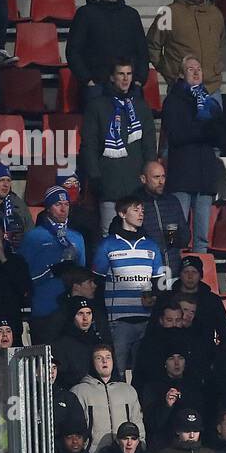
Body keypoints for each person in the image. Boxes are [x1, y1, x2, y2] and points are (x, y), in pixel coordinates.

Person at [82, 62, 158, 233]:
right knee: (109, 235)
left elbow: (149, 145)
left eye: (129, 74)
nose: (125, 78)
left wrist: (149, 175)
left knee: (140, 235)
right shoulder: (97, 106)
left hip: (136, 187)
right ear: (112, 77)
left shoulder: (141, 106)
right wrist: (95, 177)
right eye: (121, 74)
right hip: (109, 184)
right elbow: (89, 145)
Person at [92, 196, 164, 374]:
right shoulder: (107, 245)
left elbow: (161, 283)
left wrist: (154, 297)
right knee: (117, 372)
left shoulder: (152, 246)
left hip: (146, 321)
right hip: (118, 322)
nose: (141, 214)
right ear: (122, 213)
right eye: (135, 209)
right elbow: (96, 282)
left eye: (142, 210)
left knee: (145, 372)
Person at [161, 56, 224, 252]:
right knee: (176, 232)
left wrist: (200, 131)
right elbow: (177, 135)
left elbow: (220, 134)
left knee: (202, 237)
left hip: (204, 178)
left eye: (199, 68)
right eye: (190, 69)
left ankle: (199, 275)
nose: (196, 73)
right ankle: (174, 272)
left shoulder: (210, 101)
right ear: (181, 74)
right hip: (182, 176)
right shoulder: (173, 101)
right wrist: (203, 131)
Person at [66, 0, 149, 107]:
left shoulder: (131, 15)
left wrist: (139, 80)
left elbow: (143, 52)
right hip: (97, 86)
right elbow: (73, 51)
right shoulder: (85, 14)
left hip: (128, 86)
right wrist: (88, 80)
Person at [21, 186, 87, 343]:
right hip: (44, 310)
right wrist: (51, 272)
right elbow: (23, 278)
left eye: (66, 204)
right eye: (58, 204)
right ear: (48, 208)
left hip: (71, 312)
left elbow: (82, 276)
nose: (63, 209)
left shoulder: (77, 238)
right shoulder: (33, 237)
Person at [147, 0, 224, 98]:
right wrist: (168, 70)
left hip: (211, 88)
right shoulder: (168, 13)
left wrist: (217, 67)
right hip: (180, 88)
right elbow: (152, 45)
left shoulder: (215, 14)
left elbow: (221, 43)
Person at [72, 345, 146, 453]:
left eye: (108, 357)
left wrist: (141, 446)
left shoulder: (128, 390)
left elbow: (137, 422)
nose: (104, 361)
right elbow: (75, 428)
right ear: (92, 362)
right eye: (99, 358)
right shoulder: (79, 391)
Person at [134, 160, 190, 274]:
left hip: (173, 269)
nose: (161, 181)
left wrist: (174, 237)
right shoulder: (134, 203)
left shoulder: (172, 201)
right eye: (156, 177)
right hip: (147, 271)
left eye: (163, 177)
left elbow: (185, 237)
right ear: (143, 179)